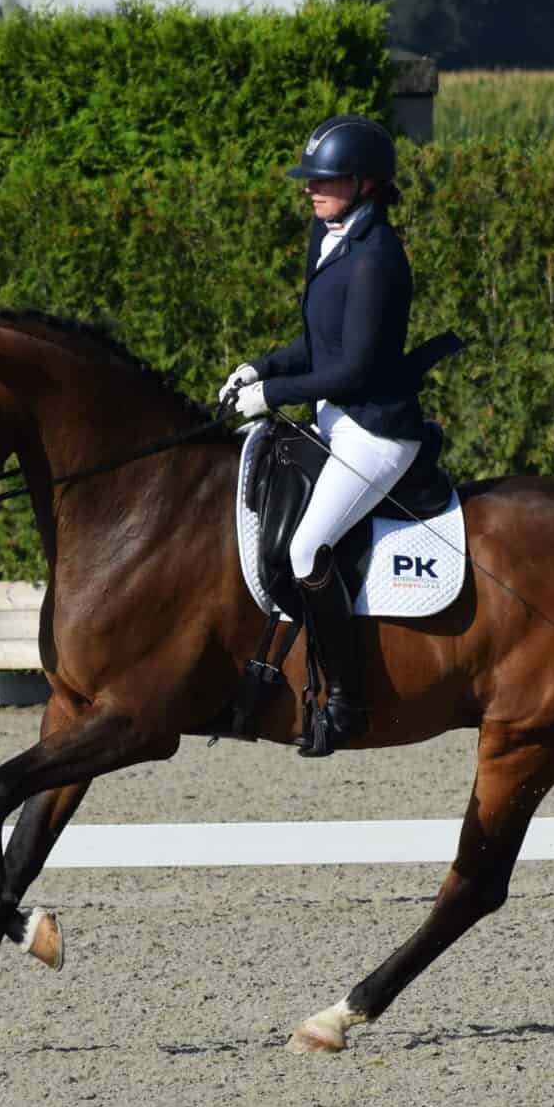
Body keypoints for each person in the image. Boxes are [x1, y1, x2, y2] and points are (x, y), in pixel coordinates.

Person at [218, 113, 425, 758]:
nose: (311, 189)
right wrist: (264, 365)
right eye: (310, 179)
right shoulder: (328, 234)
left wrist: (272, 395)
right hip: (334, 417)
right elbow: (317, 343)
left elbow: (357, 366)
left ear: (364, 184)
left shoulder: (378, 258)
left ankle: (346, 699)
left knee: (307, 550)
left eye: (324, 180)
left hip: (376, 433)